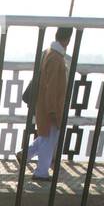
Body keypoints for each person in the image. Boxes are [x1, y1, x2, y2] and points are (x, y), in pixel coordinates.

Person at [25, 26, 72, 180]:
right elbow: (51, 87)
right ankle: (41, 173)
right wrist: (52, 110)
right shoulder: (56, 58)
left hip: (46, 104)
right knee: (48, 139)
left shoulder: (49, 53)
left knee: (46, 136)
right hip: (50, 106)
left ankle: (25, 154)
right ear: (68, 39)